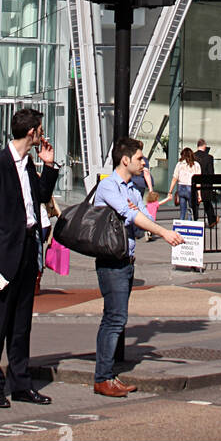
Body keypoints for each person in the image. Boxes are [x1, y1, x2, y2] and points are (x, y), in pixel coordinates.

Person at [0, 107, 58, 409]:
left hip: (28, 246)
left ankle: (22, 384)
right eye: (40, 129)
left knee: (23, 322)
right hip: (4, 253)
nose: (42, 135)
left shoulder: (27, 164)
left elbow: (40, 197)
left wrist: (48, 167)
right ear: (31, 132)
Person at [92, 137, 183, 397]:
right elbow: (133, 216)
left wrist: (137, 215)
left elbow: (142, 214)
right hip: (111, 261)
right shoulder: (109, 186)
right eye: (140, 158)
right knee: (115, 318)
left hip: (127, 260)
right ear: (125, 160)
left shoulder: (132, 189)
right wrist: (164, 233)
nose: (144, 162)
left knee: (116, 317)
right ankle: (103, 377)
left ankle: (107, 375)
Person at [162, 147, 201, 221]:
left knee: (182, 210)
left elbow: (174, 178)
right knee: (191, 209)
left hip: (181, 187)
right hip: (191, 188)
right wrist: (199, 195)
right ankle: (190, 224)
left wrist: (170, 191)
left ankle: (181, 223)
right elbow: (198, 181)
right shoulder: (196, 165)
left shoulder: (179, 164)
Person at [191, 138, 218, 228]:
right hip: (206, 183)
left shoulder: (193, 156)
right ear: (204, 146)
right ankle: (211, 220)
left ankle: (194, 220)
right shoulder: (209, 157)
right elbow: (211, 172)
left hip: (195, 182)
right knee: (207, 203)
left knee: (195, 204)